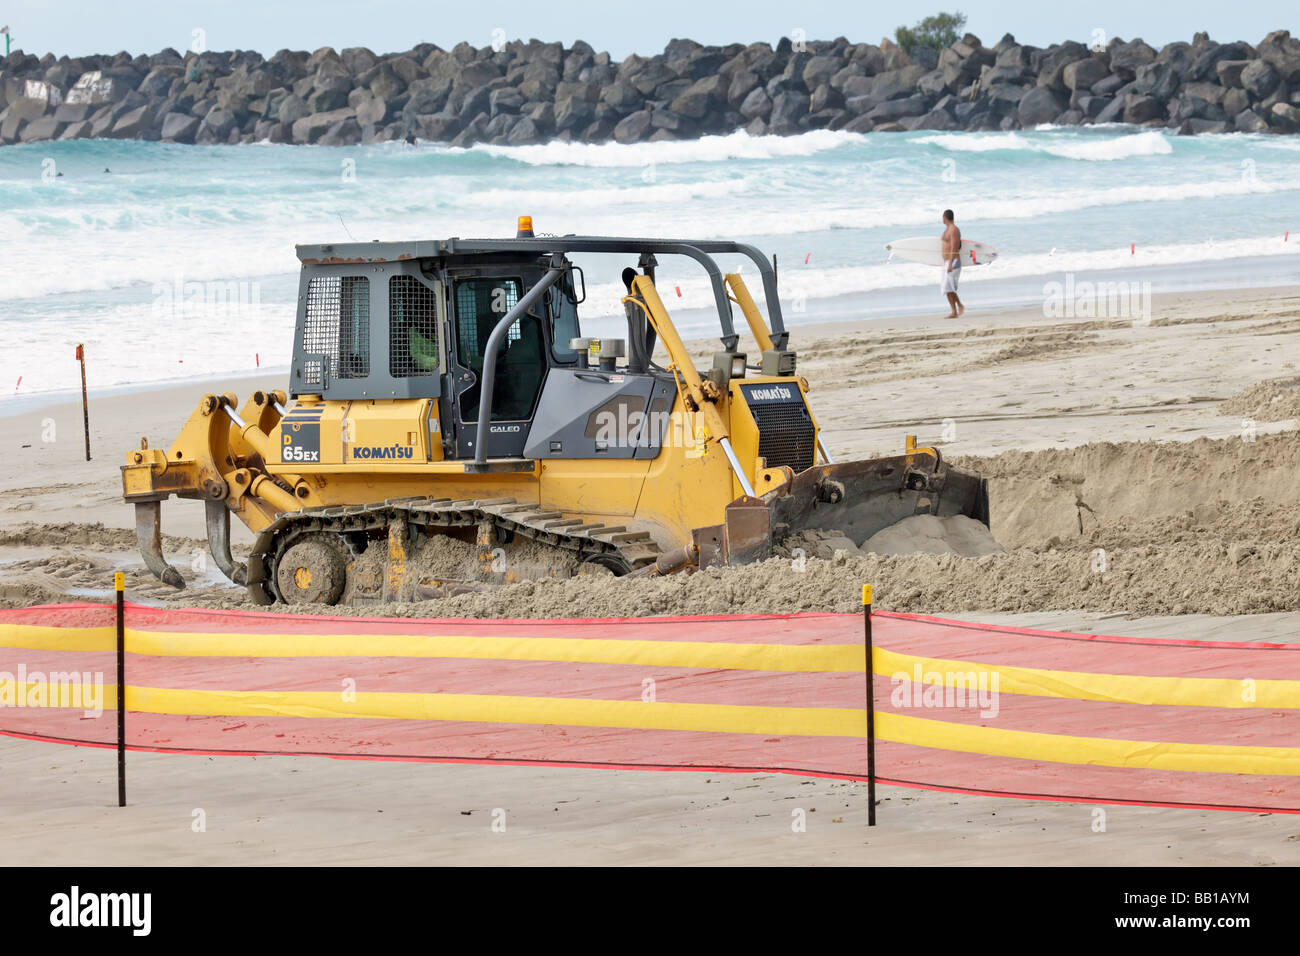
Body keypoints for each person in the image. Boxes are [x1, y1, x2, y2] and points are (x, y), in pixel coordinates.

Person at [941, 209, 964, 318]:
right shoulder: (947, 230)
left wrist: (950, 263)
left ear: (945, 218)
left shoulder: (954, 230)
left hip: (953, 262)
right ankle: (954, 311)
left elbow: (954, 248)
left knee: (948, 287)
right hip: (946, 262)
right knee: (946, 288)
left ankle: (959, 306)